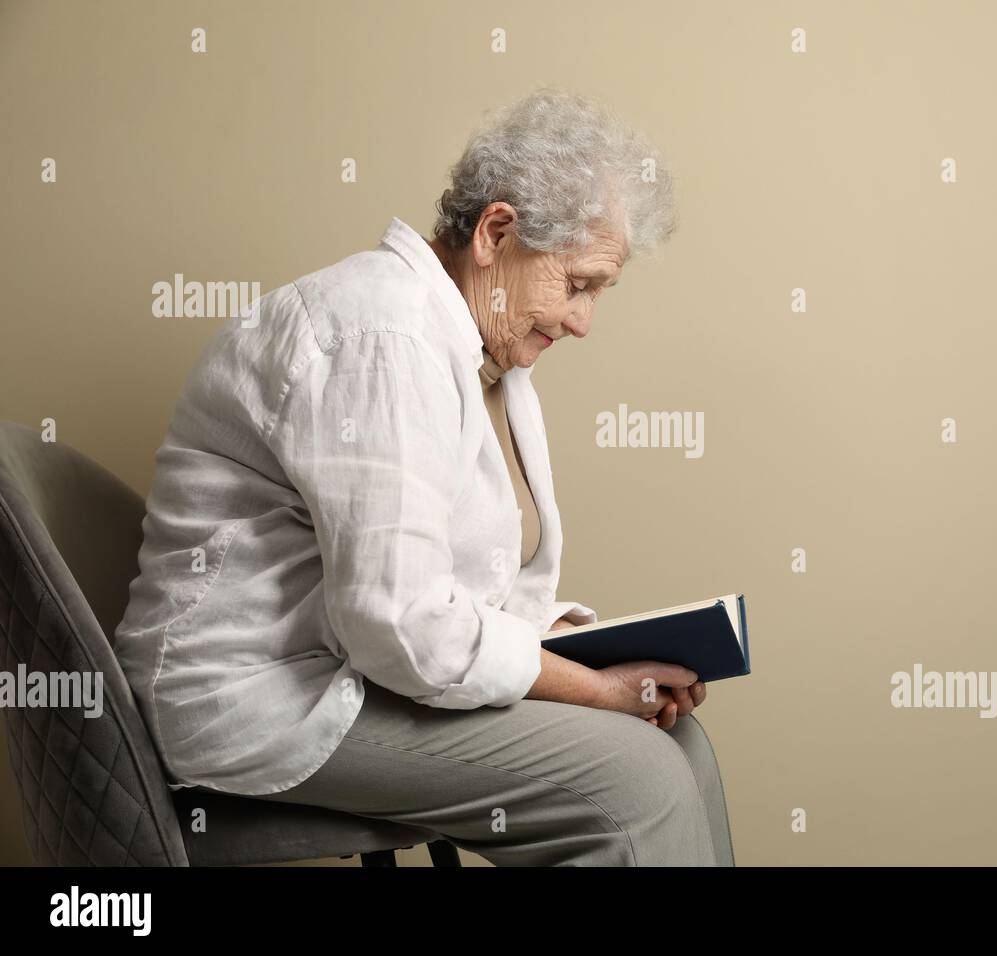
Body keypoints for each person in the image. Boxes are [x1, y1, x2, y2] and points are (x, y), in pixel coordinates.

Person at [114, 88, 734, 866]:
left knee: (687, 752)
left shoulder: (478, 354)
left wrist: (578, 646)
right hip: (259, 699)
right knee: (640, 786)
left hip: (357, 671)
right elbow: (400, 622)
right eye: (578, 284)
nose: (583, 322)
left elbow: (448, 591)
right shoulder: (381, 336)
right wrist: (600, 691)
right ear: (496, 232)